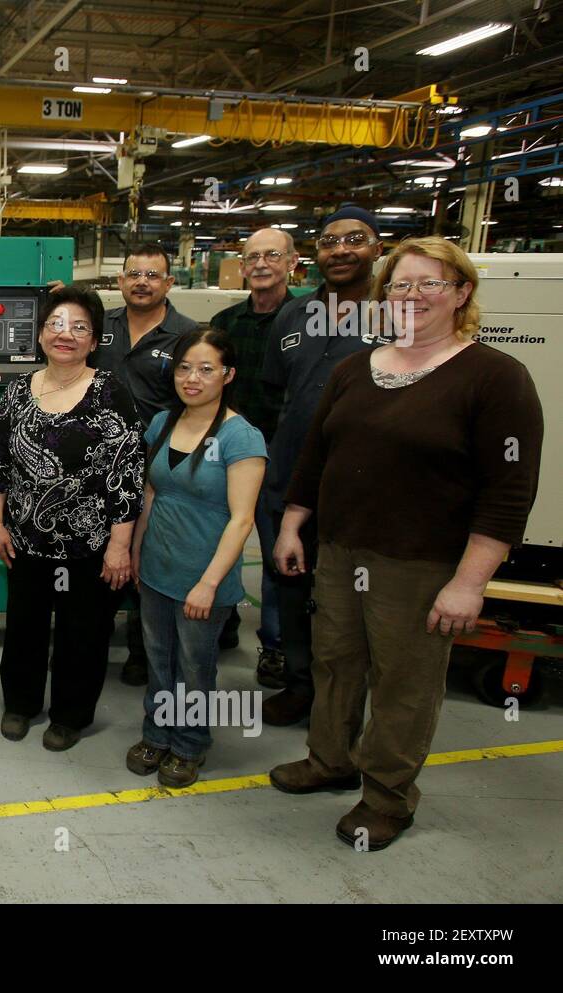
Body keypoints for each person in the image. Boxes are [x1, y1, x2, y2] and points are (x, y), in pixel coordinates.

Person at [269, 237, 543, 851]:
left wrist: (470, 582)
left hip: (421, 563)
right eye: (400, 285)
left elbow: (509, 490)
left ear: (462, 293)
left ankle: (387, 798)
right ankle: (330, 759)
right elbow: (316, 456)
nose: (411, 297)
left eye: (430, 284)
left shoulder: (496, 378)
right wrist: (293, 523)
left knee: (404, 682)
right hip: (339, 551)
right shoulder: (355, 369)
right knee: (336, 661)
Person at [0, 285, 144, 751]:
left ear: (94, 341)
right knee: (24, 628)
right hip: (26, 540)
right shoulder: (17, 390)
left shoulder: (111, 393)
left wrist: (119, 546)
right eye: (55, 324)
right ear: (39, 334)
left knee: (83, 634)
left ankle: (70, 715)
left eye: (78, 327)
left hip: (90, 546)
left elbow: (127, 475)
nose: (65, 334)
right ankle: (21, 703)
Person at [257, 205, 386, 727]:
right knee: (291, 584)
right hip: (290, 479)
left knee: (351, 599)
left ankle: (344, 704)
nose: (340, 250)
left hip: (363, 489)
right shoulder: (293, 314)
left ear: (377, 248)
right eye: (330, 241)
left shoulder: (398, 317)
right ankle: (300, 683)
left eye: (354, 239)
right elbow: (271, 396)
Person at [125, 328, 266, 789]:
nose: (193, 378)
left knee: (194, 666)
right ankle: (156, 733)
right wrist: (136, 551)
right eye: (185, 367)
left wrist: (207, 584)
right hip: (158, 568)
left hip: (205, 575)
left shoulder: (241, 437)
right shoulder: (162, 423)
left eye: (207, 369)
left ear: (228, 375)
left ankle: (188, 744)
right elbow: (150, 493)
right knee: (158, 658)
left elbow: (242, 520)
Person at [95, 243, 199, 687]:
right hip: (97, 465)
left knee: (147, 555)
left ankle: (141, 649)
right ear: (120, 281)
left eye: (153, 275)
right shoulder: (101, 326)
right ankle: (93, 641)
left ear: (169, 283)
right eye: (134, 273)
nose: (142, 282)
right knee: (101, 552)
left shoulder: (186, 335)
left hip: (156, 465)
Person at [209, 228, 298, 688]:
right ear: (242, 267)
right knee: (214, 539)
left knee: (274, 554)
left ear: (292, 262)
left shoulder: (308, 319)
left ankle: (276, 646)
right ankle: (221, 621)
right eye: (252, 257)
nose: (261, 264)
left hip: (284, 461)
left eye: (272, 256)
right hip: (227, 457)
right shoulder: (226, 323)